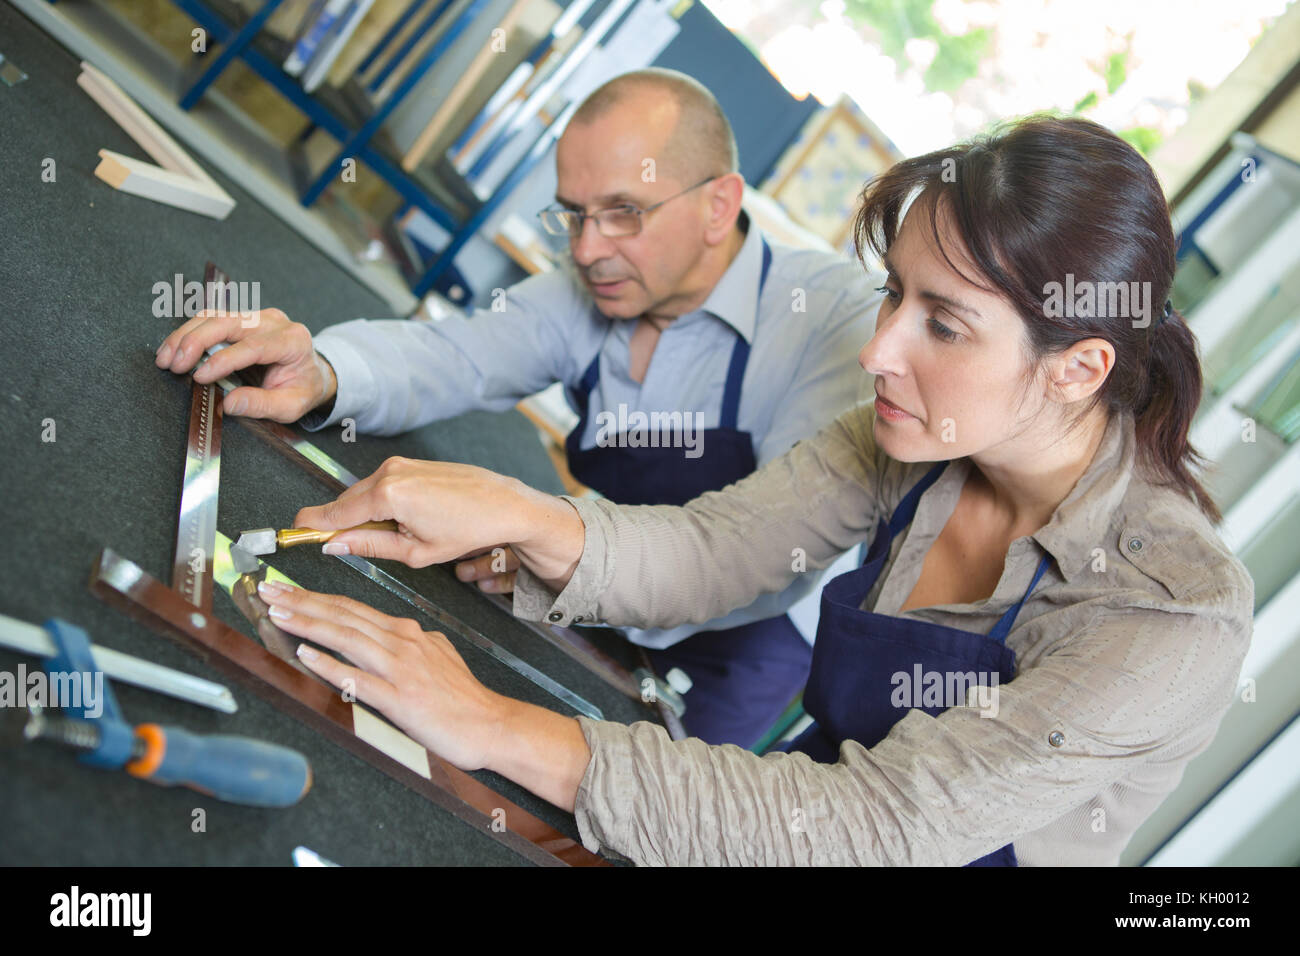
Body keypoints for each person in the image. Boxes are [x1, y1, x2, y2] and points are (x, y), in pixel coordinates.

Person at [188, 114, 1255, 866]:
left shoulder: (1166, 610)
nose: (879, 348)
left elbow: (879, 831)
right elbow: (716, 552)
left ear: (1077, 367)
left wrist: (487, 719)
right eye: (895, 296)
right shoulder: (917, 431)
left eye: (942, 322)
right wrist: (523, 513)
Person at [156, 68, 879, 749]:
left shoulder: (826, 320)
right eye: (572, 214)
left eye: (624, 213)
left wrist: (549, 549)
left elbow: (757, 559)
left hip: (746, 639)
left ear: (719, 205)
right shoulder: (596, 279)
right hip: (591, 563)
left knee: (626, 818)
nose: (589, 249)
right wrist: (326, 370)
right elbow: (458, 357)